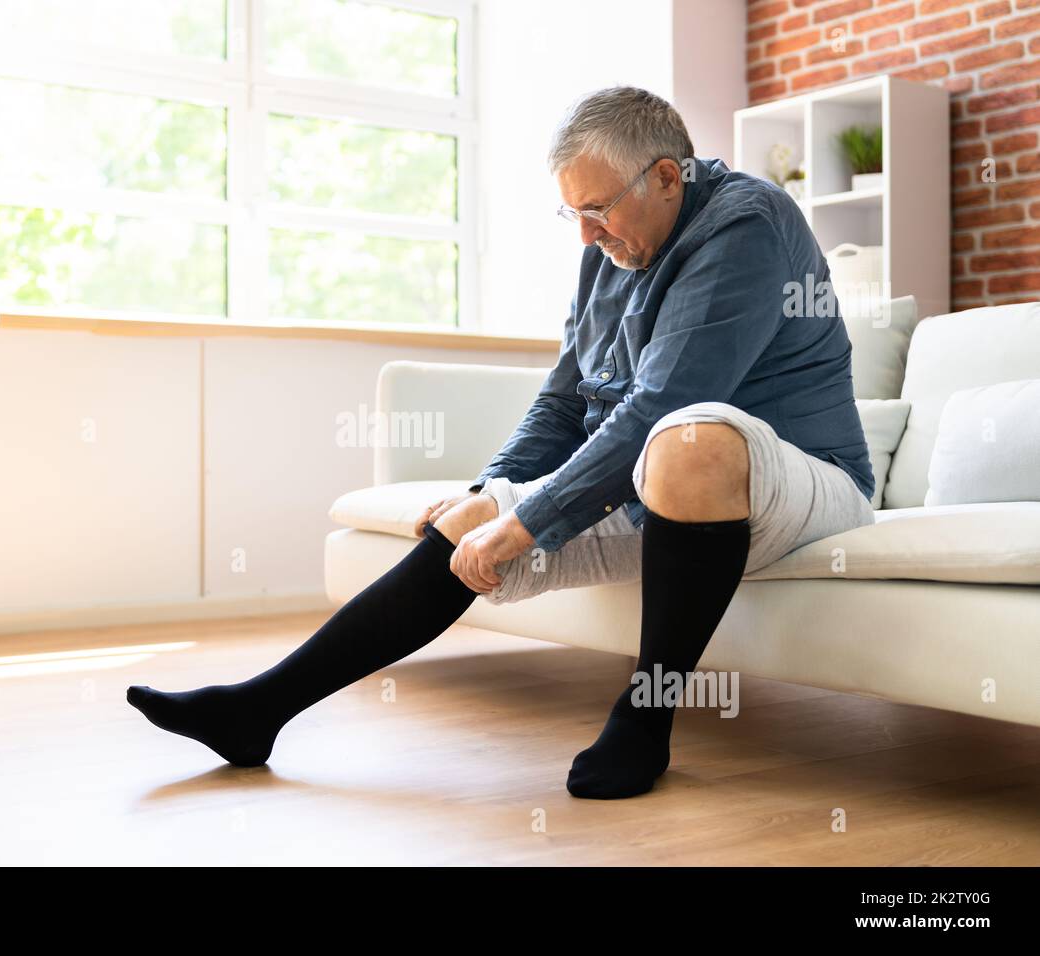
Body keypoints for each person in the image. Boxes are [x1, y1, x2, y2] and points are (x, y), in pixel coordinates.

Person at [128, 85, 876, 800]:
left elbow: (661, 406)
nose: (585, 233)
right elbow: (565, 399)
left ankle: (645, 721)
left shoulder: (746, 224)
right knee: (472, 520)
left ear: (668, 177)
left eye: (597, 210)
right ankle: (257, 711)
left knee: (689, 441)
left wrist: (527, 522)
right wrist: (495, 492)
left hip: (805, 484)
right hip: (667, 489)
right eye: (571, 213)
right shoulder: (609, 251)